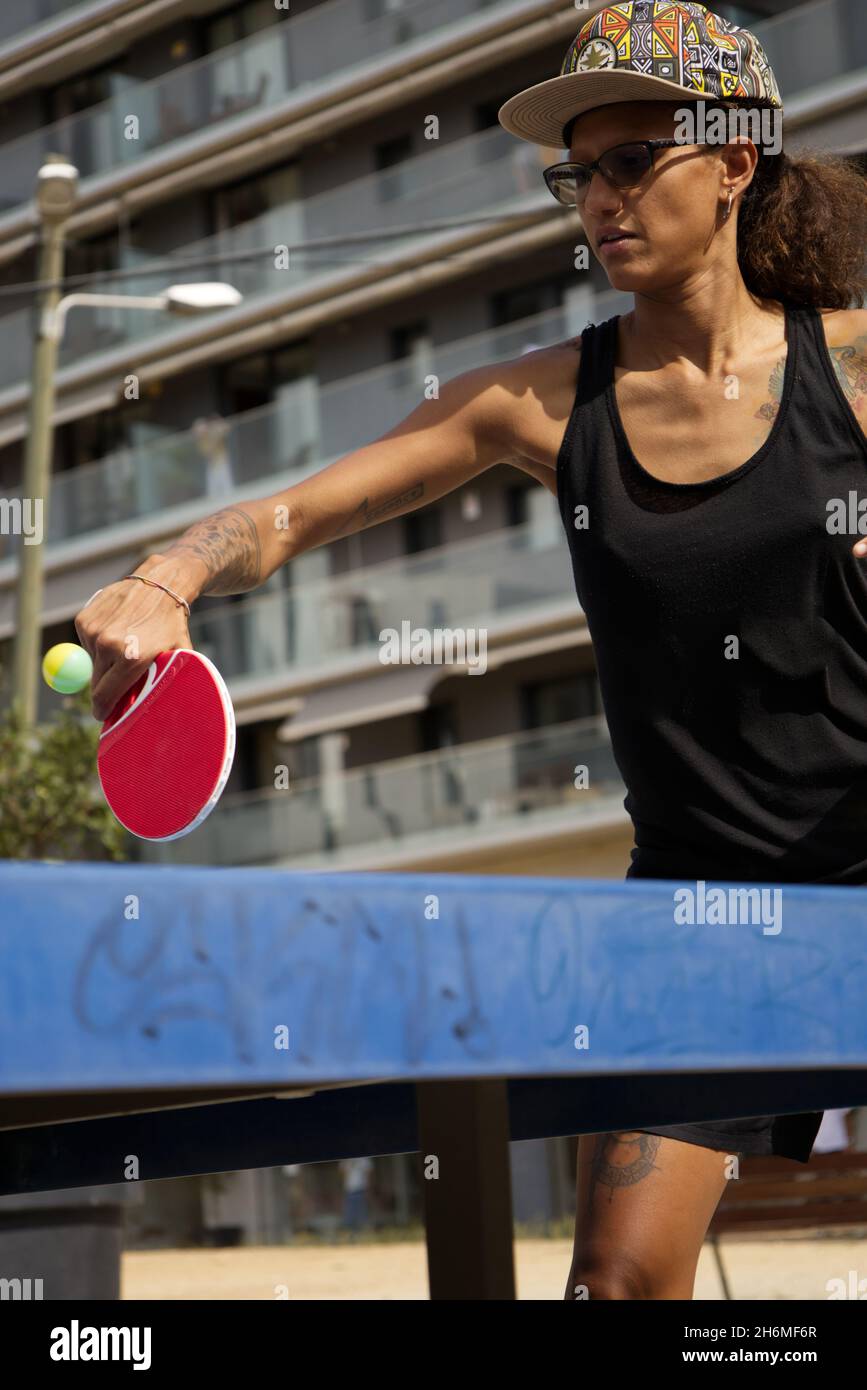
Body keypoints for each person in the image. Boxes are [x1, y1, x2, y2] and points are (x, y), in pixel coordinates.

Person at [75, 2, 867, 1300]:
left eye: (630, 159)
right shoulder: (541, 401)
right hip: (698, 910)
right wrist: (169, 576)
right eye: (578, 172)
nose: (597, 199)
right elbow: (294, 510)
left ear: (734, 160)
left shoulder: (855, 365)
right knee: (613, 1284)